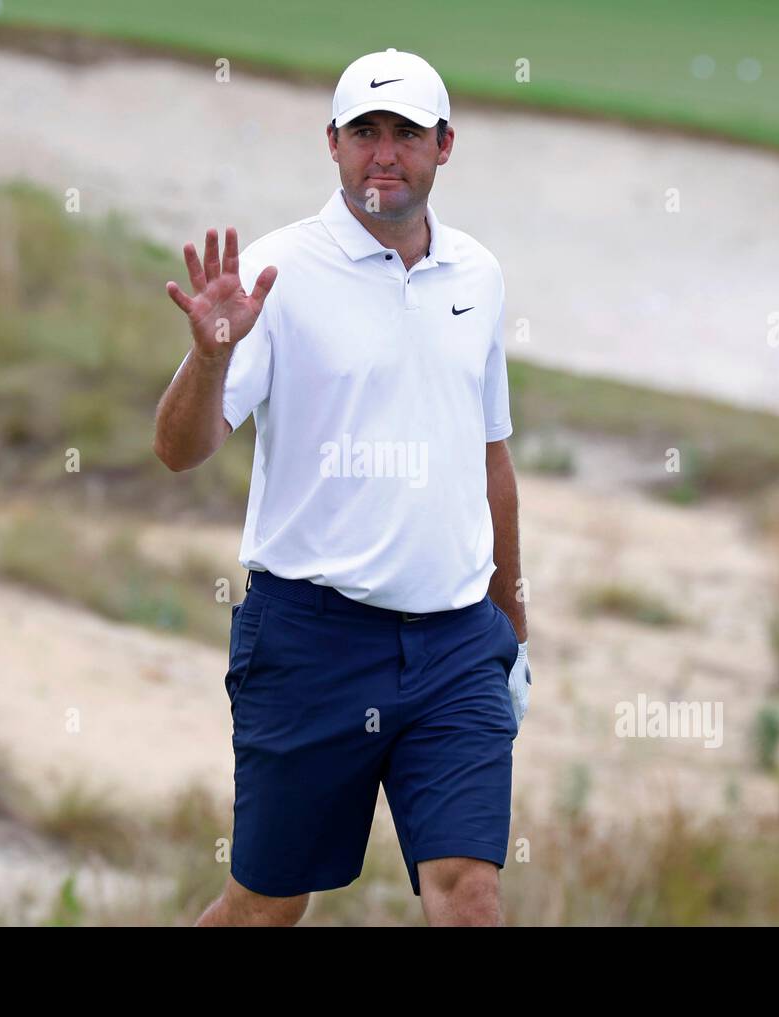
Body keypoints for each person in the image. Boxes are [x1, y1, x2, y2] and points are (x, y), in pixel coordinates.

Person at [154, 48, 531, 927]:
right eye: (365, 132)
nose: (384, 153)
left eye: (405, 133)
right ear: (332, 144)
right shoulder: (275, 274)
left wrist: (512, 630)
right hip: (312, 640)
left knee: (470, 893)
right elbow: (180, 449)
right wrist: (210, 358)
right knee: (268, 904)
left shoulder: (477, 274)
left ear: (445, 145)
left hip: (455, 648)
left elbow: (492, 464)